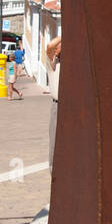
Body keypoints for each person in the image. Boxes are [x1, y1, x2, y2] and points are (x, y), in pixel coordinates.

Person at [46, 34, 61, 169]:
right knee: (55, 143)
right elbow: (49, 46)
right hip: (58, 105)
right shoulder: (53, 62)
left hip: (73, 107)